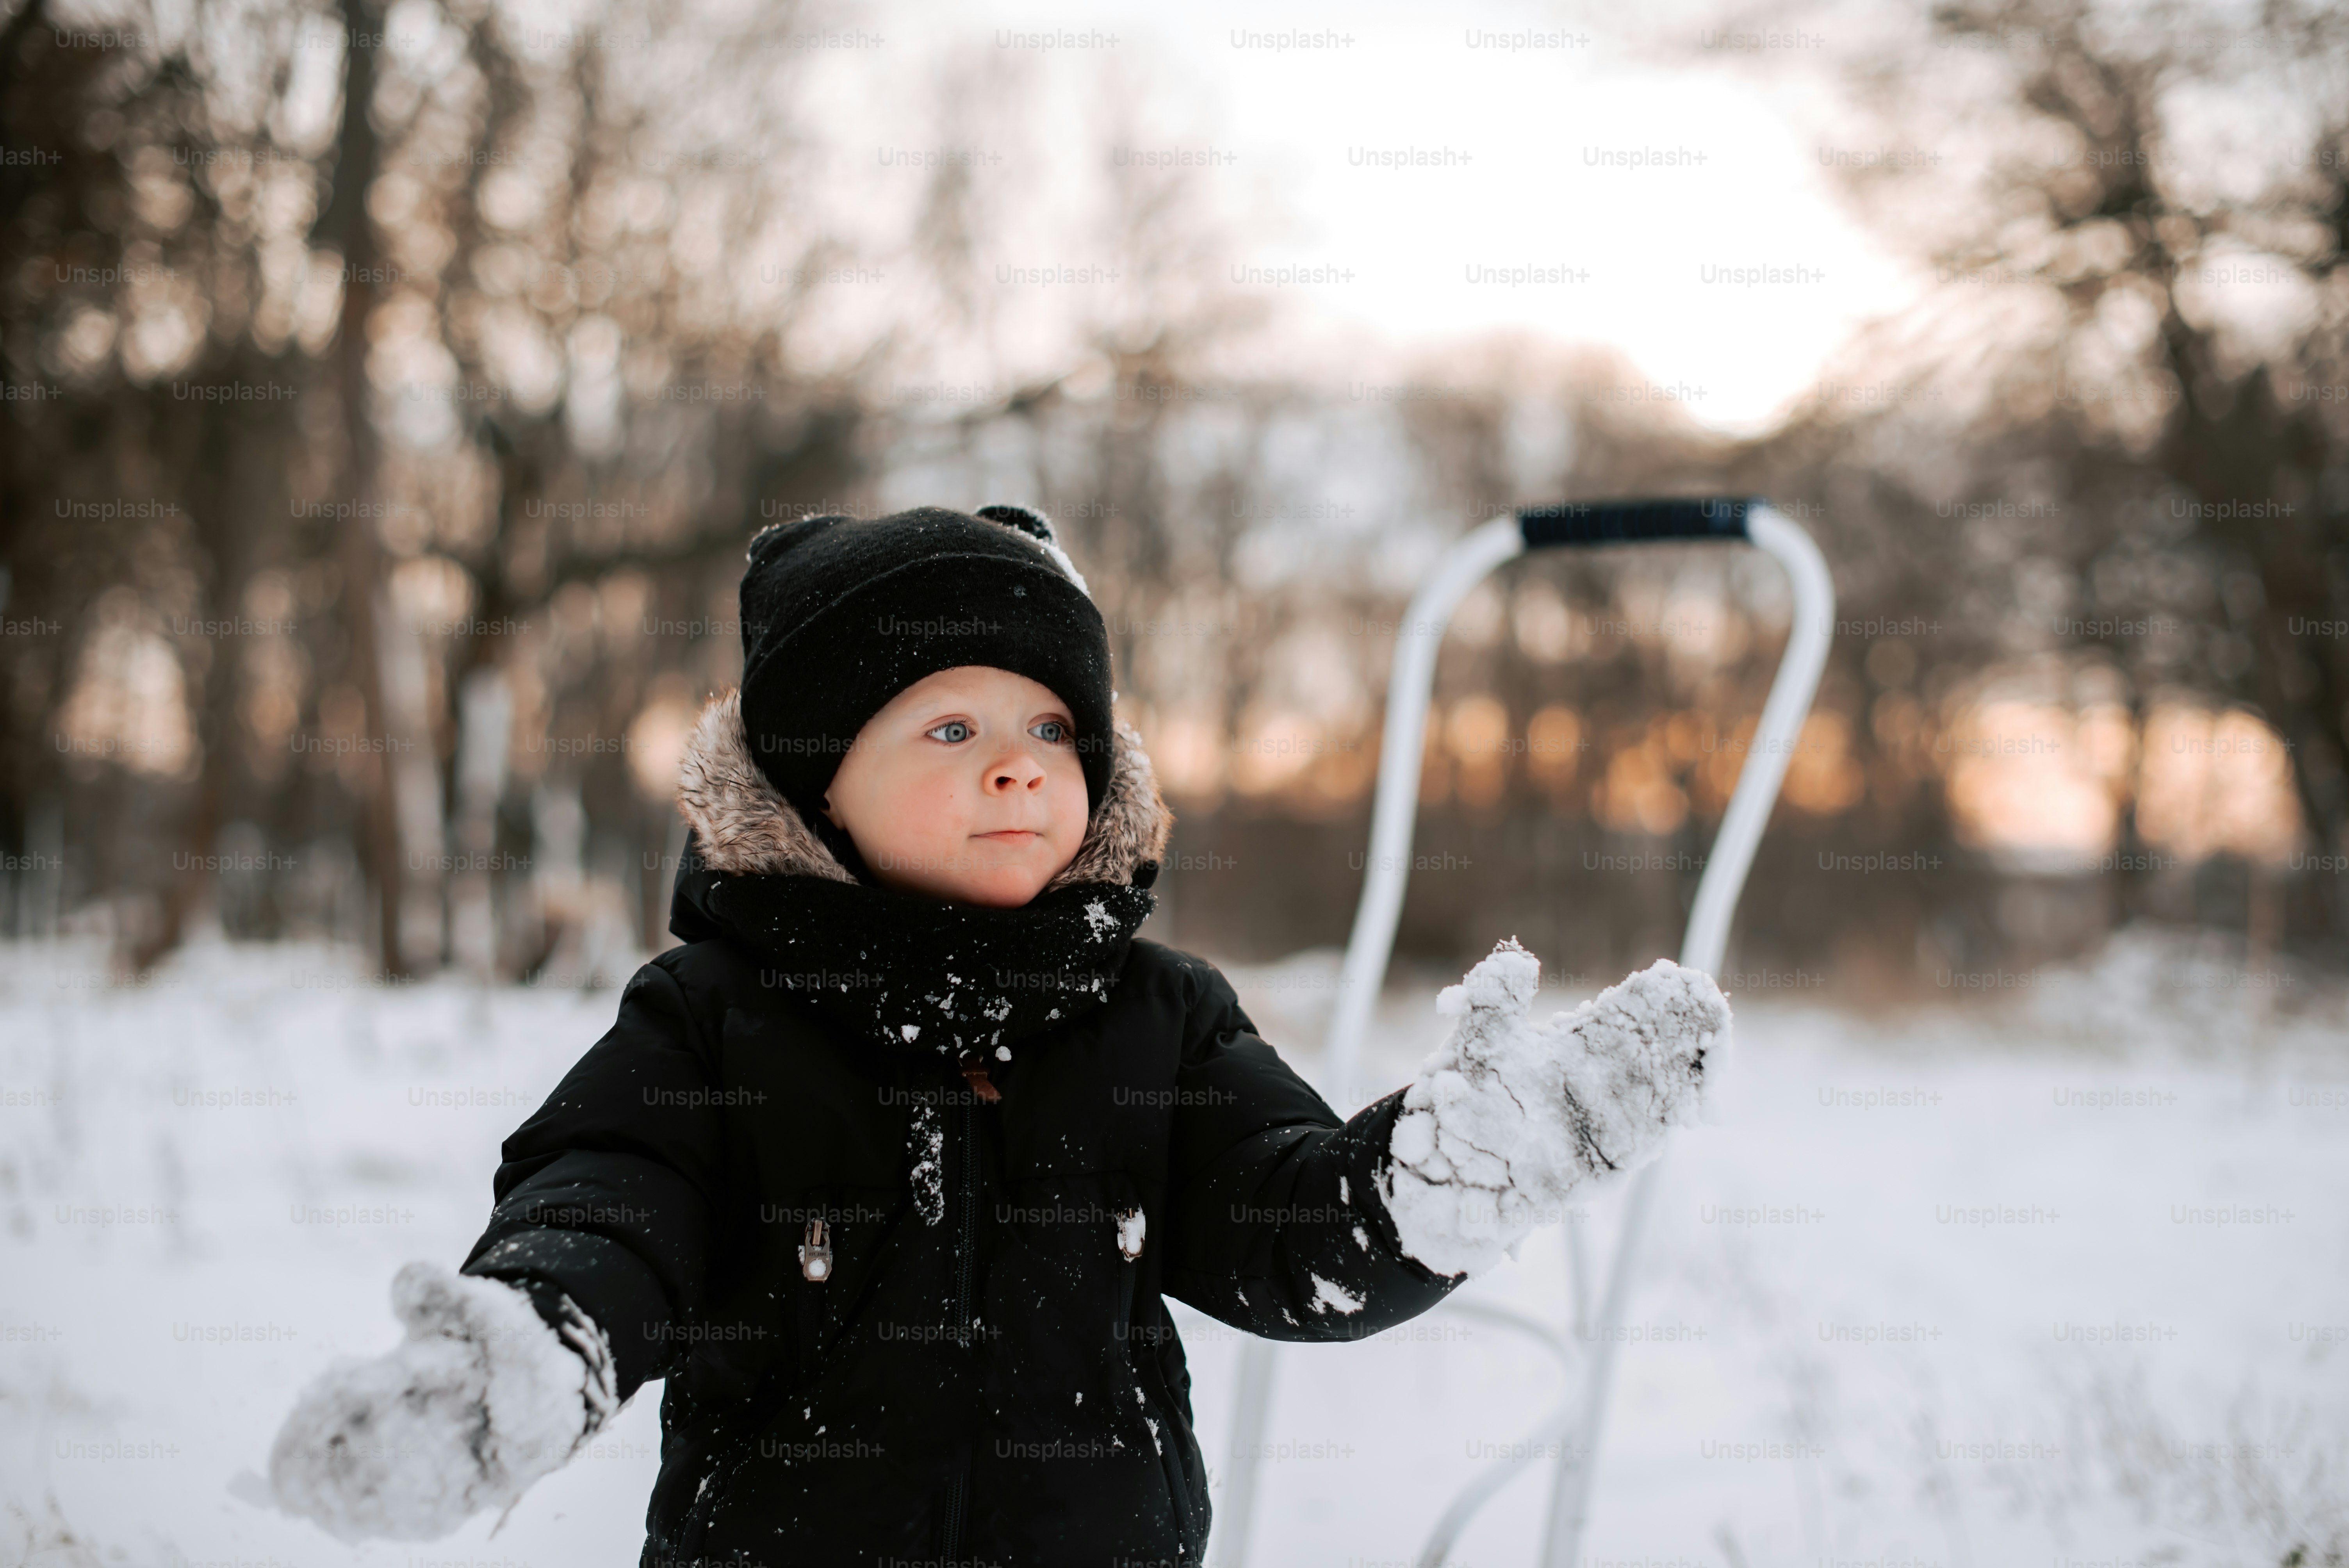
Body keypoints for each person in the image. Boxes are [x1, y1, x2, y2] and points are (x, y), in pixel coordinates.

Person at [262, 503, 1732, 1564]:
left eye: (1051, 735)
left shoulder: (1157, 1016)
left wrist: (1438, 1182)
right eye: (950, 732)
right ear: (816, 782)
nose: (1021, 772)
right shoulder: (715, 1020)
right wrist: (534, 1341)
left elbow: (1285, 1228)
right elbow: (611, 1199)